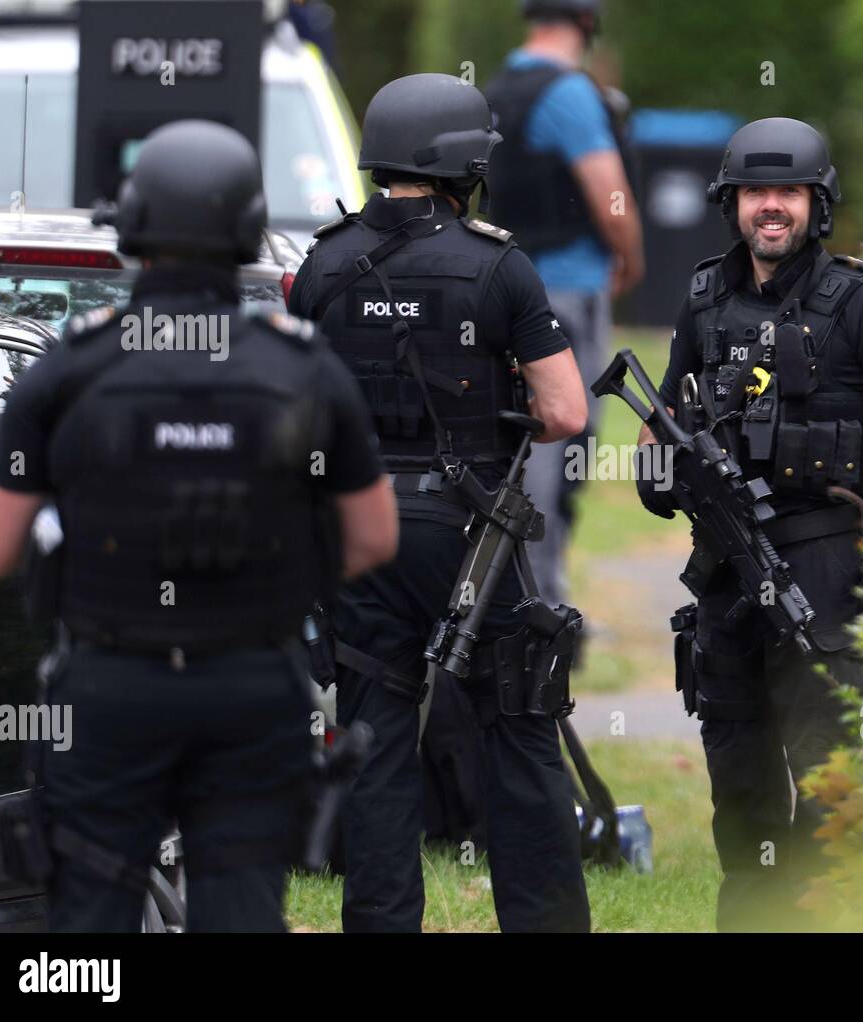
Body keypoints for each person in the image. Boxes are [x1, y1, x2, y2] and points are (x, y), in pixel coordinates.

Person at [0, 119, 397, 932]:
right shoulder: (303, 366)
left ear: (130, 228)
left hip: (107, 687)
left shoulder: (72, 365)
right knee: (239, 901)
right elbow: (374, 538)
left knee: (90, 910)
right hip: (251, 686)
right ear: (245, 231)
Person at [287, 73, 592, 933]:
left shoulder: (322, 262)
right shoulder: (499, 267)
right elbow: (567, 410)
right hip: (467, 530)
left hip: (357, 531)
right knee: (519, 721)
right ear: (466, 166)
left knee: (375, 733)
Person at [636, 117, 863, 931]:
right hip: (726, 577)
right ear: (732, 204)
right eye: (757, 194)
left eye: (787, 194)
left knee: (832, 786)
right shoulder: (702, 300)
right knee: (742, 790)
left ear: (816, 205)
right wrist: (656, 471)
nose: (772, 209)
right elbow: (664, 412)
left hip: (825, 575)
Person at [484, 0, 643, 610]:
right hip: (568, 296)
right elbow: (612, 202)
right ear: (586, 22)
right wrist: (631, 260)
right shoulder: (570, 94)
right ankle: (541, 609)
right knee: (558, 454)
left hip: (504, 284)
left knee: (517, 450)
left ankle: (505, 597)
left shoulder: (496, 90)